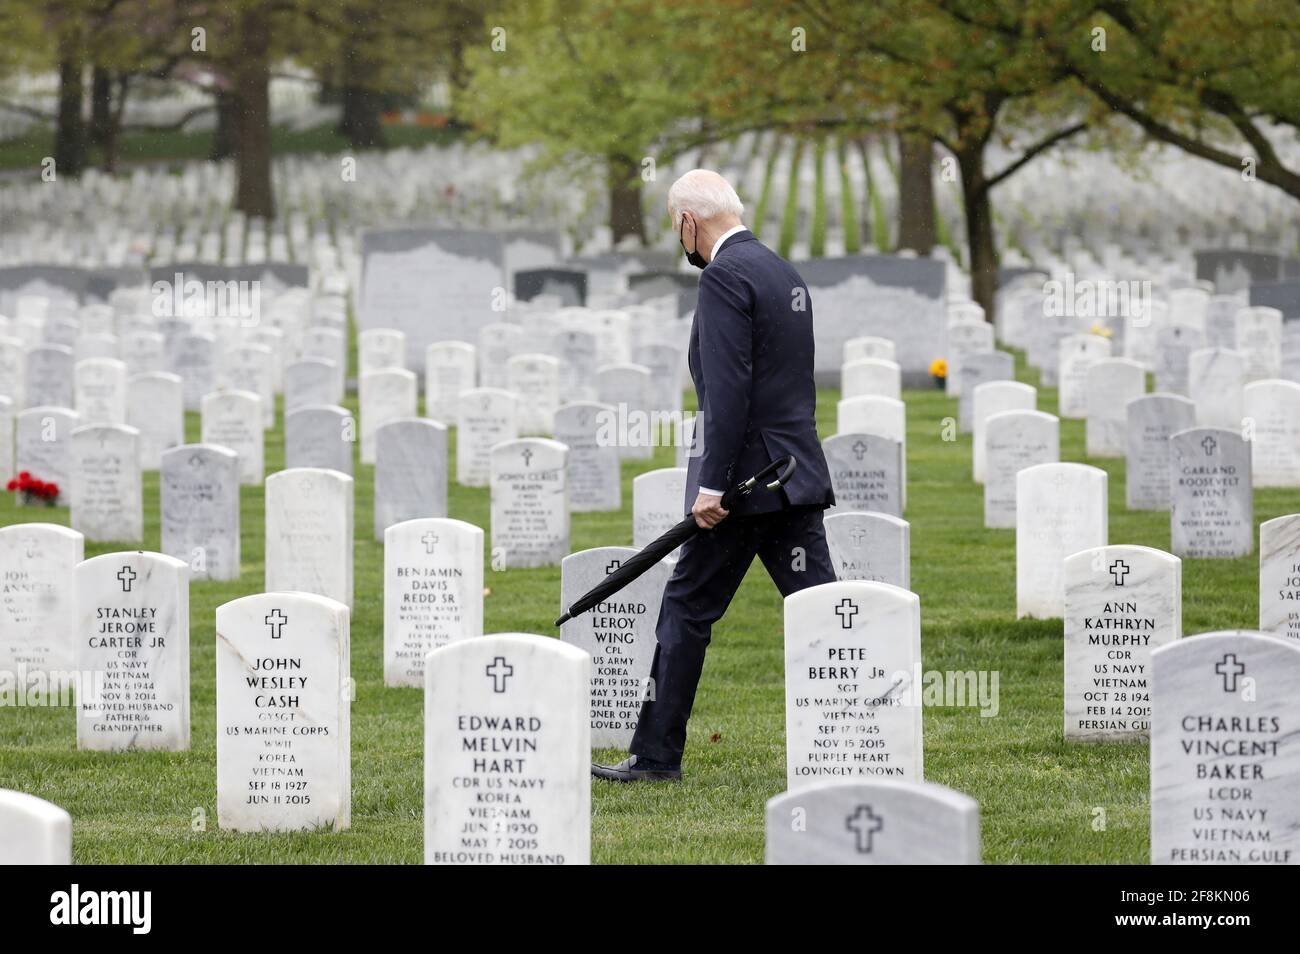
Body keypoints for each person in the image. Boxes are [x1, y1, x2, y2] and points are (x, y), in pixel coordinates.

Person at [592, 169, 837, 783]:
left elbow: (728, 391)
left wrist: (711, 485)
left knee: (686, 611)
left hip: (743, 489)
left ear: (686, 222)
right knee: (829, 613)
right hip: (793, 474)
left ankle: (654, 759)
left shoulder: (725, 274)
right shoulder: (783, 271)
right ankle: (863, 735)